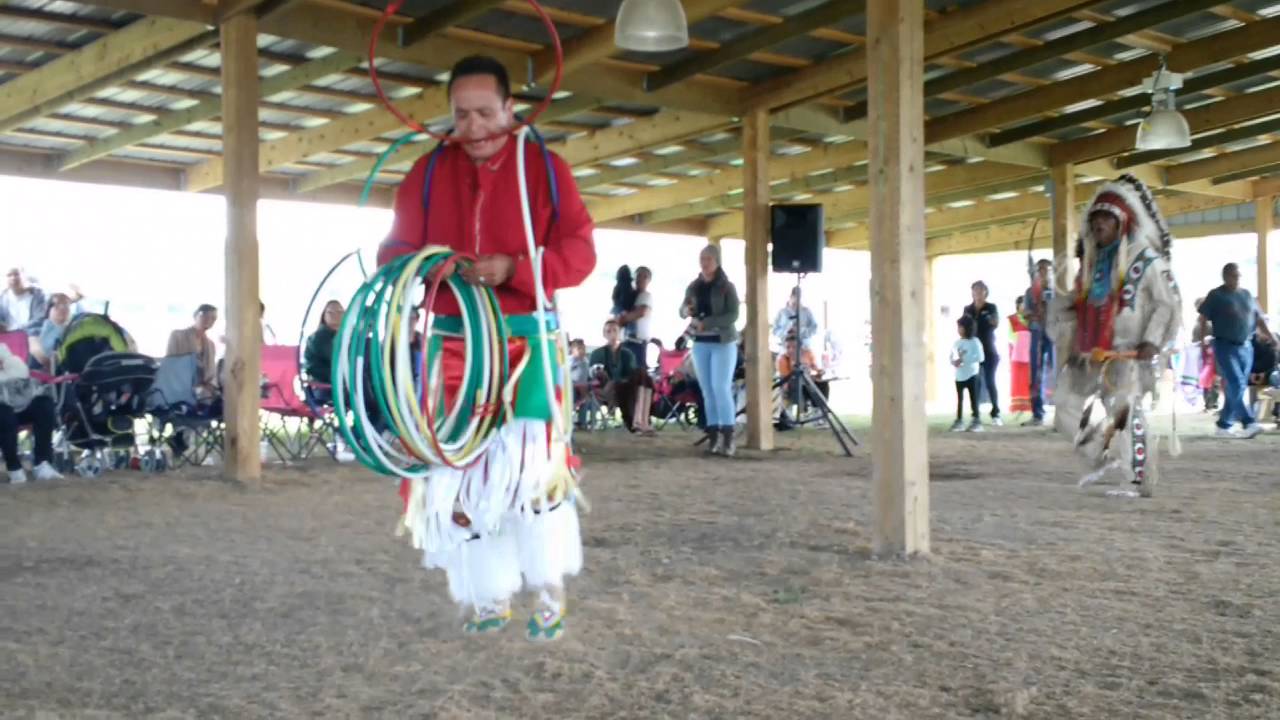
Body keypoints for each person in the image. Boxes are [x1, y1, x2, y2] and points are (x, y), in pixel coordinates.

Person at [375, 55, 596, 641]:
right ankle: (486, 594)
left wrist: (518, 269)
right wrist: (427, 265)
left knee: (531, 470)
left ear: (510, 110)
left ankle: (548, 590)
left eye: (484, 113)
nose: (471, 128)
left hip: (525, 342)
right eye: (460, 115)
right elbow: (393, 250)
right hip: (453, 346)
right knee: (461, 475)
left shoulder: (545, 170)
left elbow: (581, 253)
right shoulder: (426, 173)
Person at [1051, 175, 1182, 498]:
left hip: (1127, 350)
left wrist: (1152, 339)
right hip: (1091, 351)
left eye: (1106, 217)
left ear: (1122, 221)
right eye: (1095, 218)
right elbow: (1079, 305)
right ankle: (1101, 454)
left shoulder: (1144, 259)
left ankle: (1138, 480)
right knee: (1065, 409)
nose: (1098, 224)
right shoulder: (1091, 263)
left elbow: (1167, 302)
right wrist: (1056, 311)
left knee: (1125, 410)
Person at [1197, 263, 1278, 438]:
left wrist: (1271, 337)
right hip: (1225, 345)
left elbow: (1259, 320)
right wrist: (1203, 339)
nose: (1237, 279)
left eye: (1239, 275)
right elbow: (1203, 317)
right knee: (1236, 383)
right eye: (1233, 275)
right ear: (1225, 276)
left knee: (1237, 387)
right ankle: (1249, 422)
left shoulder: (1247, 295)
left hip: (1246, 346)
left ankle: (1223, 426)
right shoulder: (1216, 295)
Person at [681, 244, 740, 456]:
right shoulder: (694, 286)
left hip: (723, 342)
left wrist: (710, 323)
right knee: (707, 390)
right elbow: (682, 309)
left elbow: (733, 315)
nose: (704, 263)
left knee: (720, 387)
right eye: (702, 259)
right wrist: (685, 310)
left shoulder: (727, 287)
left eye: (708, 259)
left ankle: (728, 436)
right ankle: (713, 435)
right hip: (700, 343)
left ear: (717, 261)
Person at [0, 343, 63, 484]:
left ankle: (42, 464)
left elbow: (21, 372)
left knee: (44, 405)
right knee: (4, 414)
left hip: (18, 400)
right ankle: (14, 468)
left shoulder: (5, 349)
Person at [589, 319, 656, 436]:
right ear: (604, 335)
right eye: (608, 331)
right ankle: (640, 422)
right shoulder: (597, 353)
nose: (612, 334)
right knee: (641, 378)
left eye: (615, 330)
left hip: (627, 386)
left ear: (620, 333)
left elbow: (632, 374)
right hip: (609, 388)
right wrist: (599, 373)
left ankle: (641, 421)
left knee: (643, 376)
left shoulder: (627, 353)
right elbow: (592, 374)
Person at [963, 281, 1002, 426]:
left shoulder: (991, 307)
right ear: (972, 293)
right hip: (973, 352)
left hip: (989, 350)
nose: (978, 294)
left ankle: (996, 413)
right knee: (975, 383)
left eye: (981, 291)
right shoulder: (967, 309)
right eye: (975, 291)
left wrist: (989, 319)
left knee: (990, 381)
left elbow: (995, 323)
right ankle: (976, 414)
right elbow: (963, 327)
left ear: (985, 292)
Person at [1024, 259, 1055, 425]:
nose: (1044, 272)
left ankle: (1062, 413)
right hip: (1036, 333)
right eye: (1040, 269)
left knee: (1056, 370)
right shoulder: (1030, 292)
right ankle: (1037, 413)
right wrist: (1037, 313)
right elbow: (1026, 313)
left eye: (1047, 270)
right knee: (1036, 373)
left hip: (1052, 335)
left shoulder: (1056, 291)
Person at [166, 304, 219, 401]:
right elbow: (170, 365)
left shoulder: (211, 345)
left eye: (213, 318)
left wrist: (208, 387)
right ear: (195, 315)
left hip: (203, 393)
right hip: (179, 390)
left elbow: (212, 373)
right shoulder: (177, 336)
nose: (209, 319)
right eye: (204, 315)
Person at [950, 315, 985, 432]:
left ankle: (976, 420)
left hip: (972, 375)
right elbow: (952, 357)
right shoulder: (956, 343)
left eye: (960, 327)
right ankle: (959, 420)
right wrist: (954, 362)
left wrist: (965, 359)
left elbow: (980, 358)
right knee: (959, 399)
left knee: (973, 399)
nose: (958, 329)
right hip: (959, 376)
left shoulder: (975, 342)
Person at [618, 266, 653, 371]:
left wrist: (620, 320)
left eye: (645, 277)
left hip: (638, 343)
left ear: (649, 281)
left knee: (636, 376)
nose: (641, 279)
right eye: (638, 275)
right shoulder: (627, 296)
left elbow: (640, 312)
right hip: (625, 341)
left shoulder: (646, 296)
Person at [303, 300, 344, 391]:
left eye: (340, 312)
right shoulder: (318, 337)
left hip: (343, 381)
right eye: (330, 312)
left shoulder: (348, 335)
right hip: (325, 385)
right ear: (323, 316)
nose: (336, 315)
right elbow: (334, 357)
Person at [30, 292, 74, 370]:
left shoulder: (75, 330)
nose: (62, 308)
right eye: (57, 305)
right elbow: (38, 353)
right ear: (48, 309)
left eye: (66, 305)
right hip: (39, 372)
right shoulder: (37, 328)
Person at [0, 267, 49, 335]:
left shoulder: (37, 296)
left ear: (24, 276)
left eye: (16, 274)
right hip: (8, 339)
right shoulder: (2, 299)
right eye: (9, 275)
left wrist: (13, 328)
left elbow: (39, 320)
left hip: (32, 337)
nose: (13, 278)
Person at [1006, 295, 1033, 416]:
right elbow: (1010, 339)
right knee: (1017, 382)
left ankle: (1029, 406)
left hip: (1029, 356)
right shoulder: (1012, 319)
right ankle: (1017, 406)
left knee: (1028, 381)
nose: (1024, 306)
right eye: (1022, 303)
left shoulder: (1032, 320)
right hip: (1017, 355)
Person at [568, 338, 592, 429]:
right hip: (568, 388)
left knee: (584, 400)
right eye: (578, 349)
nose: (581, 351)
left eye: (583, 348)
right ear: (572, 349)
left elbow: (583, 380)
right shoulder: (567, 360)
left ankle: (582, 422)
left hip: (581, 389)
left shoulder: (584, 363)